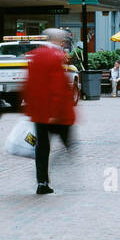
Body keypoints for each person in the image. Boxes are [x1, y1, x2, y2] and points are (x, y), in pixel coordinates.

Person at [23, 28, 76, 195]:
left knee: (42, 148)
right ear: (58, 41)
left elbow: (28, 83)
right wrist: (54, 112)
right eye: (63, 41)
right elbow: (57, 87)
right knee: (68, 143)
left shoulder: (34, 55)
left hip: (39, 111)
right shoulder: (56, 57)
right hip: (55, 113)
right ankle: (63, 170)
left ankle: (42, 182)